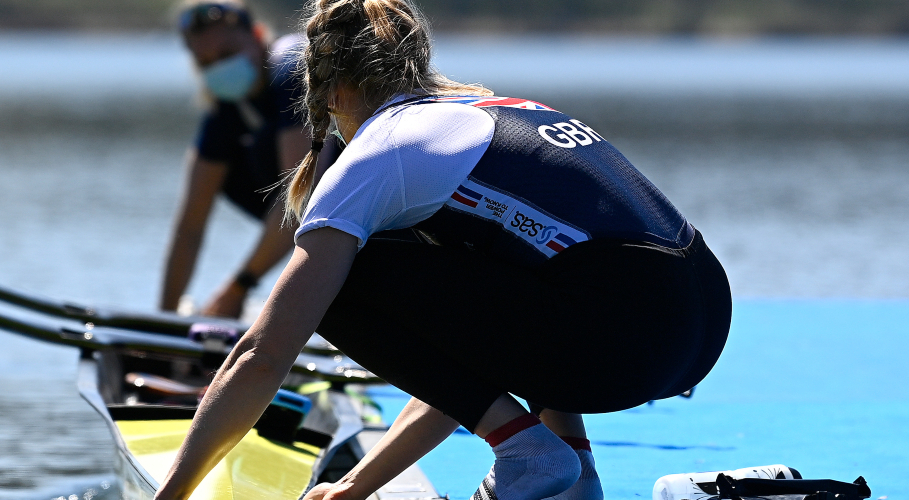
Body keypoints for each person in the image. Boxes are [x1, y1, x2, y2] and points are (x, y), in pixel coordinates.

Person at [153, 1, 732, 499]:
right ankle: (571, 470)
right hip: (699, 321)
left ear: (328, 91)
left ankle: (532, 456)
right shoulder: (491, 107)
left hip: (629, 334)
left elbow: (263, 352)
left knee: (337, 286)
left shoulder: (383, 147)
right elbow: (466, 362)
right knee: (535, 270)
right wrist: (359, 484)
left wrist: (172, 492)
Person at [161, 1, 311, 318]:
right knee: (219, 162)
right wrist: (163, 323)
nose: (218, 68)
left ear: (257, 35)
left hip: (384, 221)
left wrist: (237, 288)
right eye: (205, 63)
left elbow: (299, 202)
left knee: (260, 149)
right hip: (323, 230)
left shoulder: (293, 68)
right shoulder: (228, 111)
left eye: (227, 54)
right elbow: (189, 228)